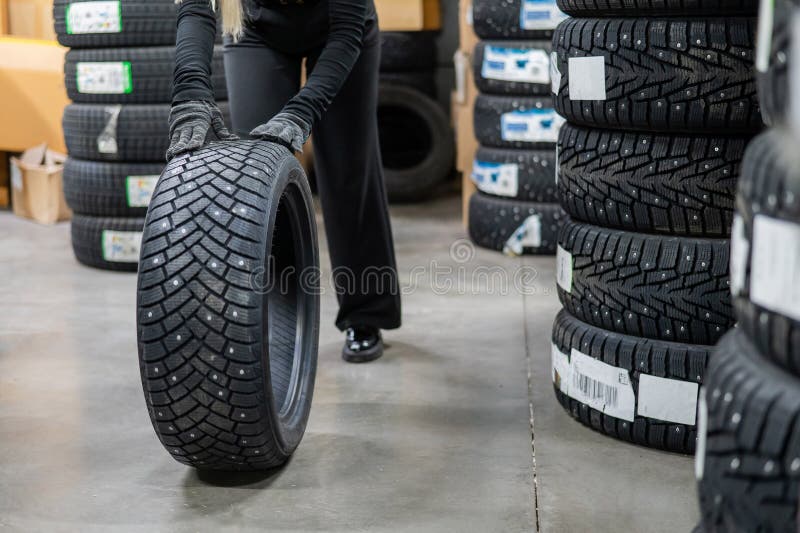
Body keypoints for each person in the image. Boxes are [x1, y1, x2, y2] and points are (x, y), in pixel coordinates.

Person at [167, 0, 401, 363]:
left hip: (339, 29)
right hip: (256, 27)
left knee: (348, 170)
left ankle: (365, 313)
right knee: (255, 180)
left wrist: (301, 112)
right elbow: (195, 10)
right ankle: (271, 318)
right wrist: (190, 95)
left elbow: (346, 32)